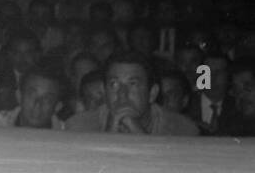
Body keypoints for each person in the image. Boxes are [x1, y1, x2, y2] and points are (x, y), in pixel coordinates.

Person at [64, 51, 198, 136]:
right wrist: (107, 138)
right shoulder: (78, 127)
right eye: (114, 84)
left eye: (133, 84)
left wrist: (139, 135)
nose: (122, 94)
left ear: (152, 93)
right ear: (104, 92)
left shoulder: (182, 129)